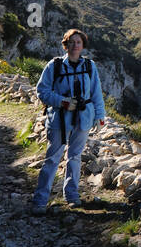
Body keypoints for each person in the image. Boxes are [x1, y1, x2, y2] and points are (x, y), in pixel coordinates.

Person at [29, 28, 107, 214]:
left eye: (78, 42)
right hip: (60, 119)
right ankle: (40, 200)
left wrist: (99, 116)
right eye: (71, 42)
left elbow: (96, 93)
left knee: (75, 157)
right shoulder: (54, 66)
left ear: (82, 45)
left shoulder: (89, 66)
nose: (74, 46)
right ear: (65, 45)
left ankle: (72, 195)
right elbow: (42, 91)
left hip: (83, 117)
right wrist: (62, 102)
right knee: (52, 159)